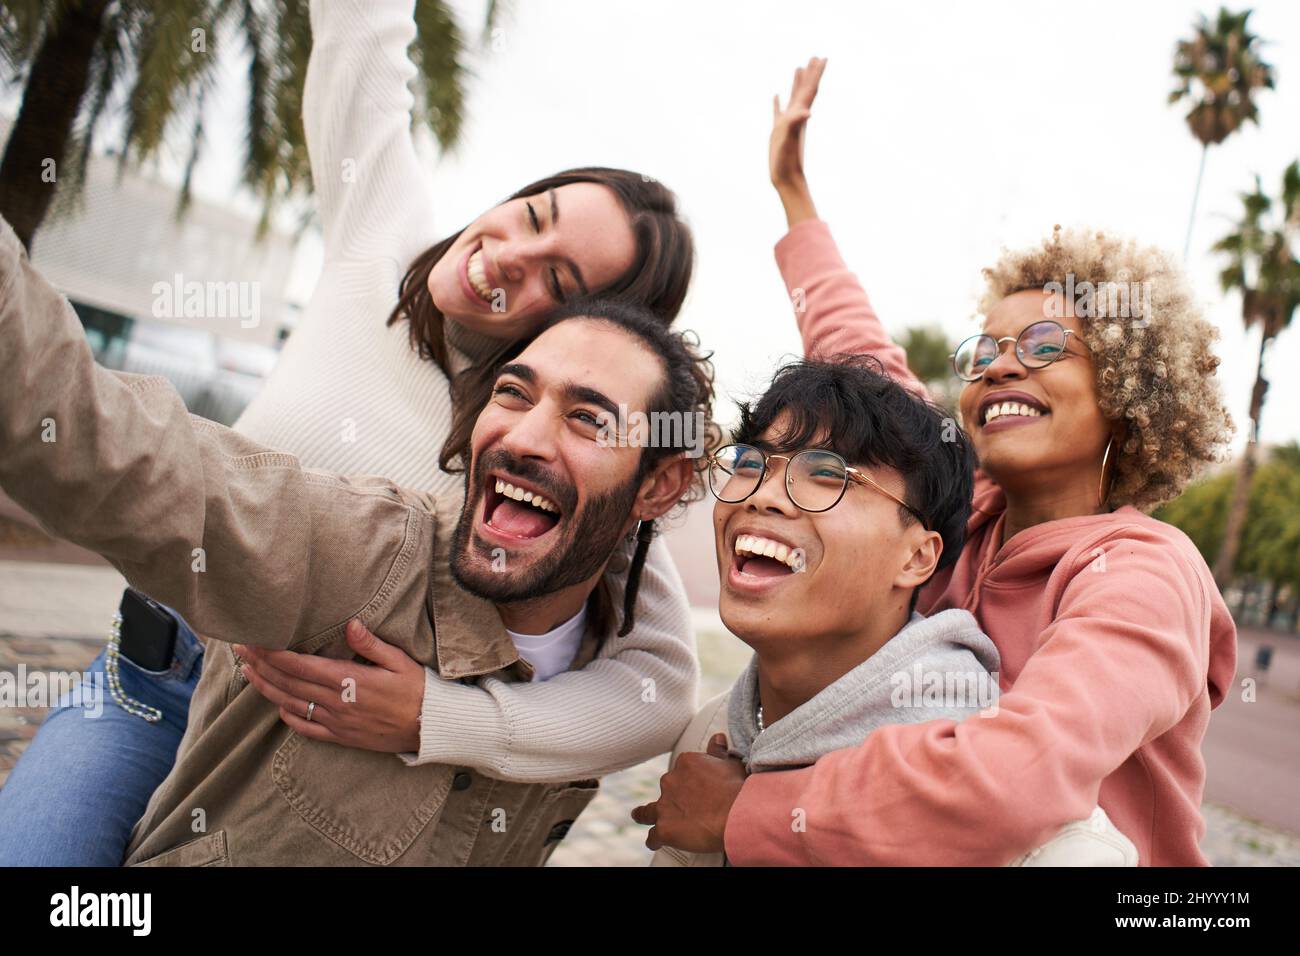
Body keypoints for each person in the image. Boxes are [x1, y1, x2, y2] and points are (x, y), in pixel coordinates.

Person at [0, 0, 699, 866]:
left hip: (280, 724)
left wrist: (439, 720)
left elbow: (657, 690)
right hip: (152, 672)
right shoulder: (383, 232)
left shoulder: (542, 457)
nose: (508, 251)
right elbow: (361, 35)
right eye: (533, 212)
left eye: (557, 274)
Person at [643, 57, 1237, 867]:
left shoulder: (1144, 577)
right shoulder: (964, 510)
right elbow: (860, 362)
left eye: (1042, 348)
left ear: (1130, 395)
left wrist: (751, 814)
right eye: (983, 351)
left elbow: (1018, 776)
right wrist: (795, 197)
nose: (997, 367)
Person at [635, 357, 1137, 867]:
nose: (763, 496)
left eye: (827, 473)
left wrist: (747, 814)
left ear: (918, 557)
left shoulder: (1047, 845)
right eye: (751, 463)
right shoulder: (709, 739)